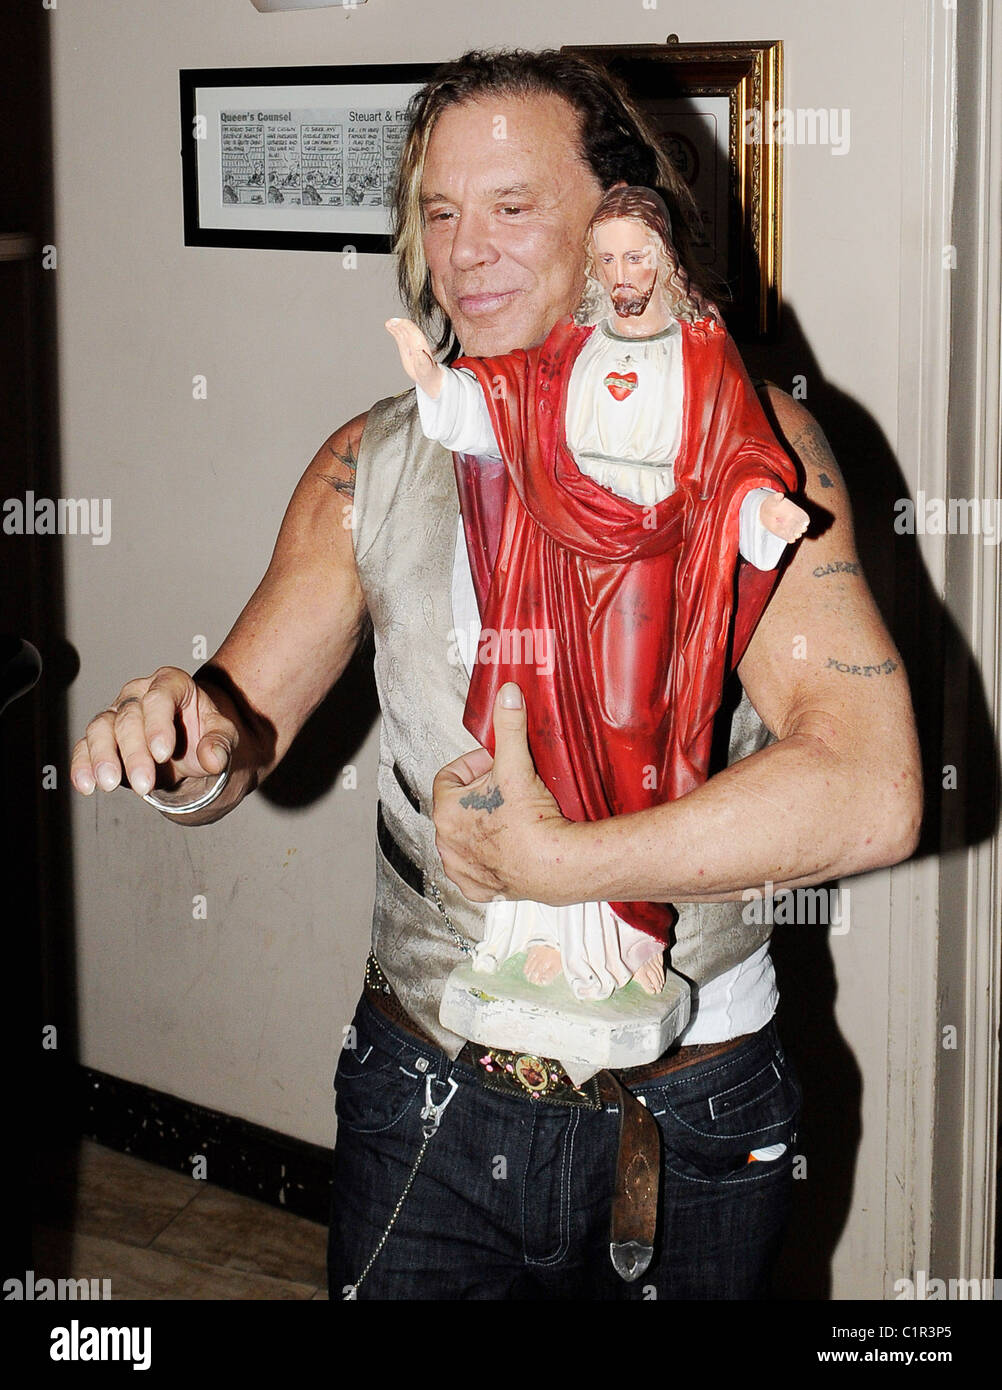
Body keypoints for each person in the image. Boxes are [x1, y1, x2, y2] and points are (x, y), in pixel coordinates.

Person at [70, 50, 921, 1299]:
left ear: (624, 218)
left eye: (513, 207)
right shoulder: (372, 461)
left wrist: (561, 864)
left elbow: (873, 786)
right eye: (441, 211)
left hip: (687, 1105)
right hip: (428, 1093)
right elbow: (233, 739)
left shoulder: (753, 445)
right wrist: (179, 745)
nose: (467, 251)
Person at [386, 184, 809, 1009]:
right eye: (609, 257)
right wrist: (441, 388)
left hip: (644, 575)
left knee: (626, 735)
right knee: (539, 733)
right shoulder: (571, 345)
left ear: (666, 263)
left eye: (637, 257)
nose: (622, 273)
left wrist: (761, 509)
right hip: (554, 567)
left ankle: (632, 929)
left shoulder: (702, 351)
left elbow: (737, 454)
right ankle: (541, 934)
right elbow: (506, 406)